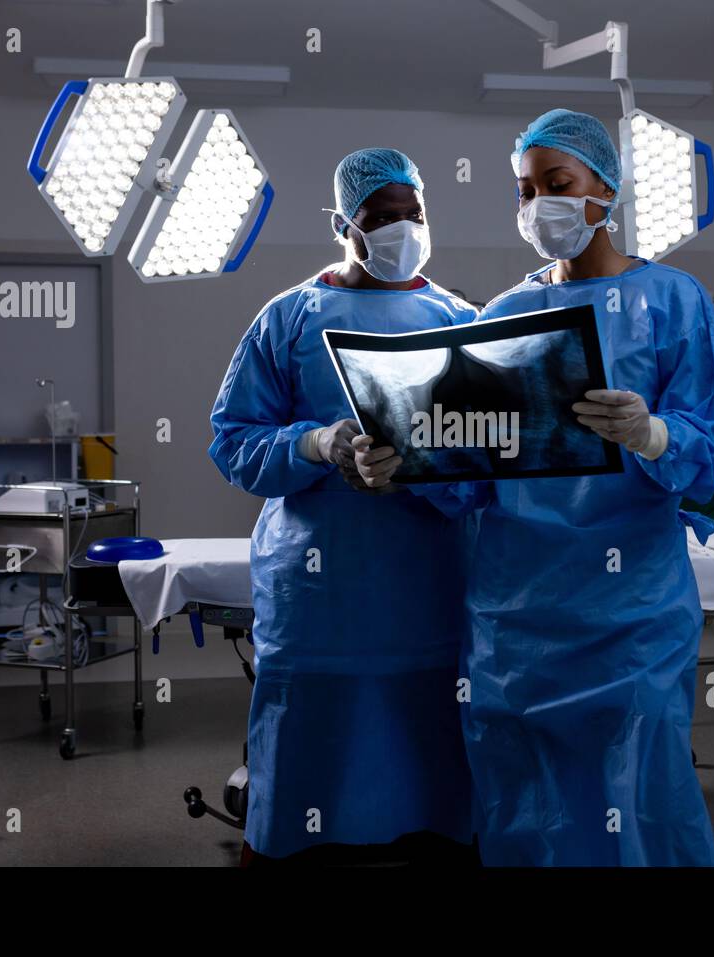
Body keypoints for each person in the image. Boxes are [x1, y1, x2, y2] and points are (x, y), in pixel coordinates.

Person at [354, 110, 714, 866]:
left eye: (556, 184)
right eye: (525, 190)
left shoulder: (673, 302)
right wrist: (409, 465)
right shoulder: (501, 318)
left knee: (636, 792)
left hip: (628, 614)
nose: (538, 205)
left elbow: (705, 453)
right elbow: (470, 483)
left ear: (607, 189)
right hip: (516, 618)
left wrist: (654, 434)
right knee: (522, 802)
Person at [209, 148, 477, 865]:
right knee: (308, 760)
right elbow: (233, 442)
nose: (400, 228)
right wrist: (319, 444)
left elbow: (485, 466)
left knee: (432, 773)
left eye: (411, 214)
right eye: (379, 218)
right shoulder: (291, 318)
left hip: (426, 594)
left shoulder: (459, 320)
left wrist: (417, 474)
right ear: (342, 226)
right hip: (317, 599)